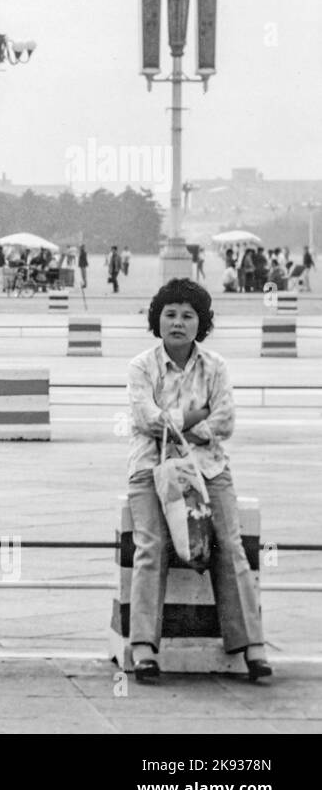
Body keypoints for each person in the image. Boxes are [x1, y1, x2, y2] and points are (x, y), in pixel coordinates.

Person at [124, 279, 270, 682]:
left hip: (209, 470)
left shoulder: (216, 366)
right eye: (170, 314)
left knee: (230, 545)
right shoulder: (141, 366)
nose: (178, 322)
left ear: (200, 324)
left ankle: (251, 647)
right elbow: (144, 419)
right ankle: (142, 648)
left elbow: (225, 422)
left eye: (188, 316)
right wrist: (194, 417)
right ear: (158, 319)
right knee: (150, 547)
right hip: (151, 470)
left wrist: (175, 425)